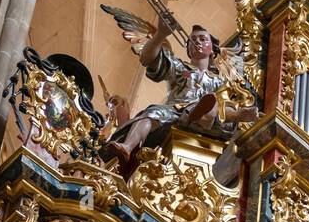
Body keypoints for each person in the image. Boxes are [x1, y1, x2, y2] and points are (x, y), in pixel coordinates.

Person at [102, 20, 256, 164]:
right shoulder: (179, 67)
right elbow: (147, 59)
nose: (197, 42)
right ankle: (127, 147)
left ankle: (202, 115)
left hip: (208, 119)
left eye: (203, 39)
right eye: (193, 40)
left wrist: (238, 113)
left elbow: (224, 105)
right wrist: (160, 35)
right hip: (173, 112)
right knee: (151, 114)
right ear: (188, 49)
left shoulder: (219, 81)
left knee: (215, 105)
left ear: (212, 50)